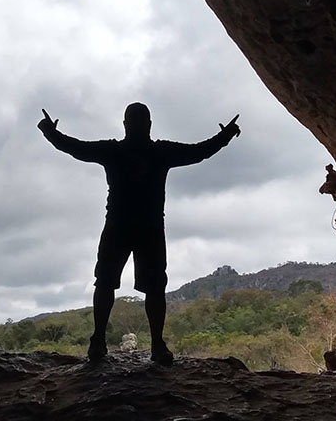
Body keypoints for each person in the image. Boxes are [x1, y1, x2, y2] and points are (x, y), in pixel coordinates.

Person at [38, 102, 240, 365]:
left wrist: (50, 132)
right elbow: (200, 151)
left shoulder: (113, 150)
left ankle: (99, 341)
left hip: (118, 226)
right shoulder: (161, 152)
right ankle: (156, 345)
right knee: (153, 287)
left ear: (125, 125)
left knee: (107, 282)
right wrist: (225, 136)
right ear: (150, 125)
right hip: (150, 229)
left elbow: (75, 148)